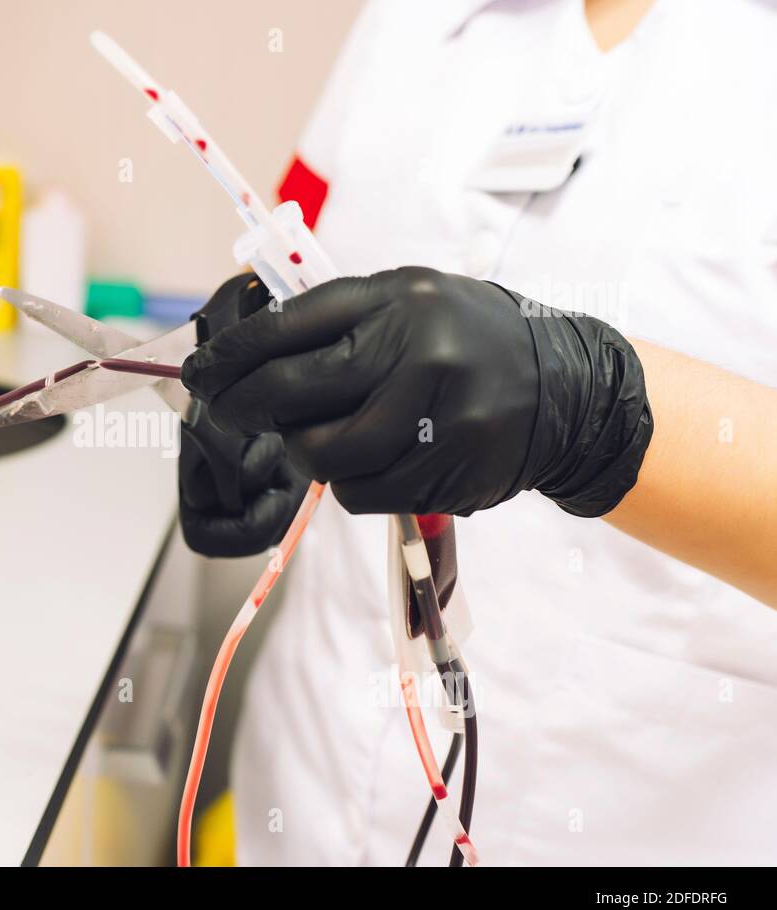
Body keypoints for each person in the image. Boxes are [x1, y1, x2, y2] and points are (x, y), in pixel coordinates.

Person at [178, 0, 777, 865]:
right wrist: (250, 369)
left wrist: (592, 414)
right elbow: (294, 227)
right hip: (300, 797)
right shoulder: (407, 16)